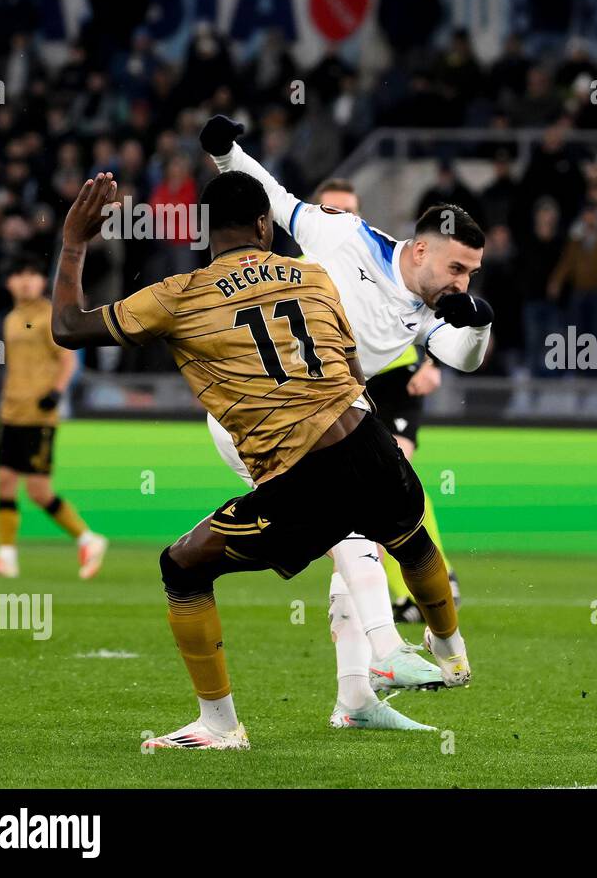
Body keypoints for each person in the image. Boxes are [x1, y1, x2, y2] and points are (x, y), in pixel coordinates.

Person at [51, 171, 474, 749]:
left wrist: (75, 242)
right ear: (263, 225)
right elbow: (350, 371)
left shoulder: (182, 294)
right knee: (407, 531)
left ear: (204, 229)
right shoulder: (314, 276)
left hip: (301, 474)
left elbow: (68, 328)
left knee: (184, 566)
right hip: (365, 436)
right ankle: (448, 652)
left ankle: (221, 726)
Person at [200, 117, 493, 725]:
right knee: (352, 526)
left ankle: (356, 696)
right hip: (258, 412)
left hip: (320, 416)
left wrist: (479, 318)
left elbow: (465, 357)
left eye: (471, 275)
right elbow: (275, 200)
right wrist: (227, 152)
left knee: (350, 537)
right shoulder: (346, 236)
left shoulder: (425, 311)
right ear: (420, 251)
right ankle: (384, 655)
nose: (462, 282)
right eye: (459, 270)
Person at [311, 176, 461, 627]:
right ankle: (401, 592)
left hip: (396, 381)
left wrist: (433, 364)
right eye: (331, 210)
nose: (341, 218)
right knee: (361, 489)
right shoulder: (299, 266)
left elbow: (435, 305)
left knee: (392, 474)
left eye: (349, 210)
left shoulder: (377, 256)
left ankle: (417, 585)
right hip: (341, 386)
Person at [0, 257, 107, 580]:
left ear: (41, 281)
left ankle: (88, 538)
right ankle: (5, 558)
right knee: (4, 483)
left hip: (38, 415)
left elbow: (69, 359)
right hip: (10, 413)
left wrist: (57, 393)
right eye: (20, 275)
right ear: (9, 283)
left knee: (38, 491)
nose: (27, 281)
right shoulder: (11, 319)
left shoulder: (49, 316)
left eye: (32, 274)